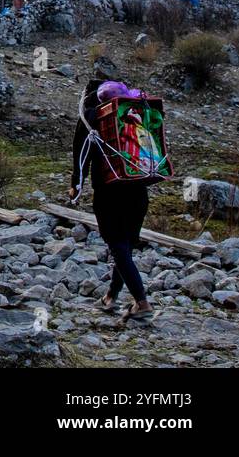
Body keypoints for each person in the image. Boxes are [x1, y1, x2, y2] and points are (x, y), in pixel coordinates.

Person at [70, 79, 153, 321]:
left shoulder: (91, 116)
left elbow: (81, 152)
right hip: (138, 188)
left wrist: (76, 185)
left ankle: (142, 302)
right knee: (125, 245)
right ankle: (111, 297)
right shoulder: (133, 110)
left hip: (109, 191)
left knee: (117, 245)